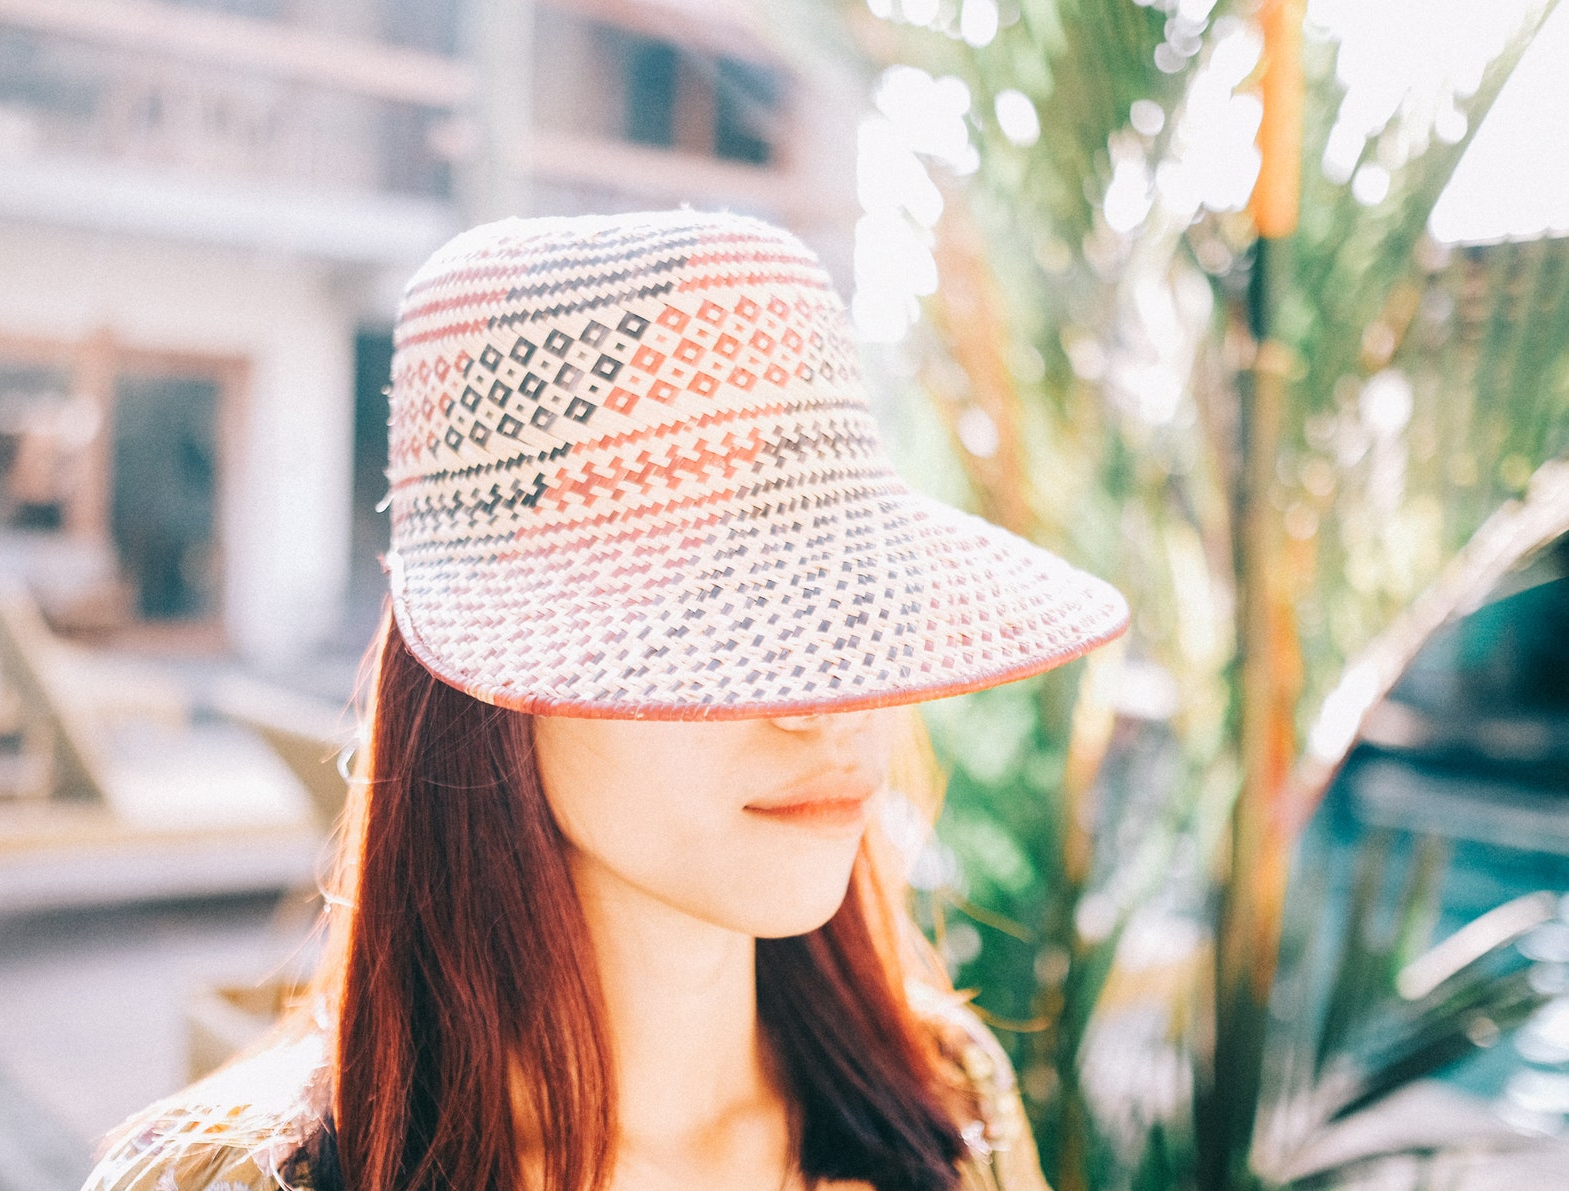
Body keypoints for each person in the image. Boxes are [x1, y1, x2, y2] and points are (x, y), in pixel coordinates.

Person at [82, 210, 1128, 1191]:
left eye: (849, 620)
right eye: (711, 627)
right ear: (491, 698)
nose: (830, 706)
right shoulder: (212, 1179)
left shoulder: (949, 1102)